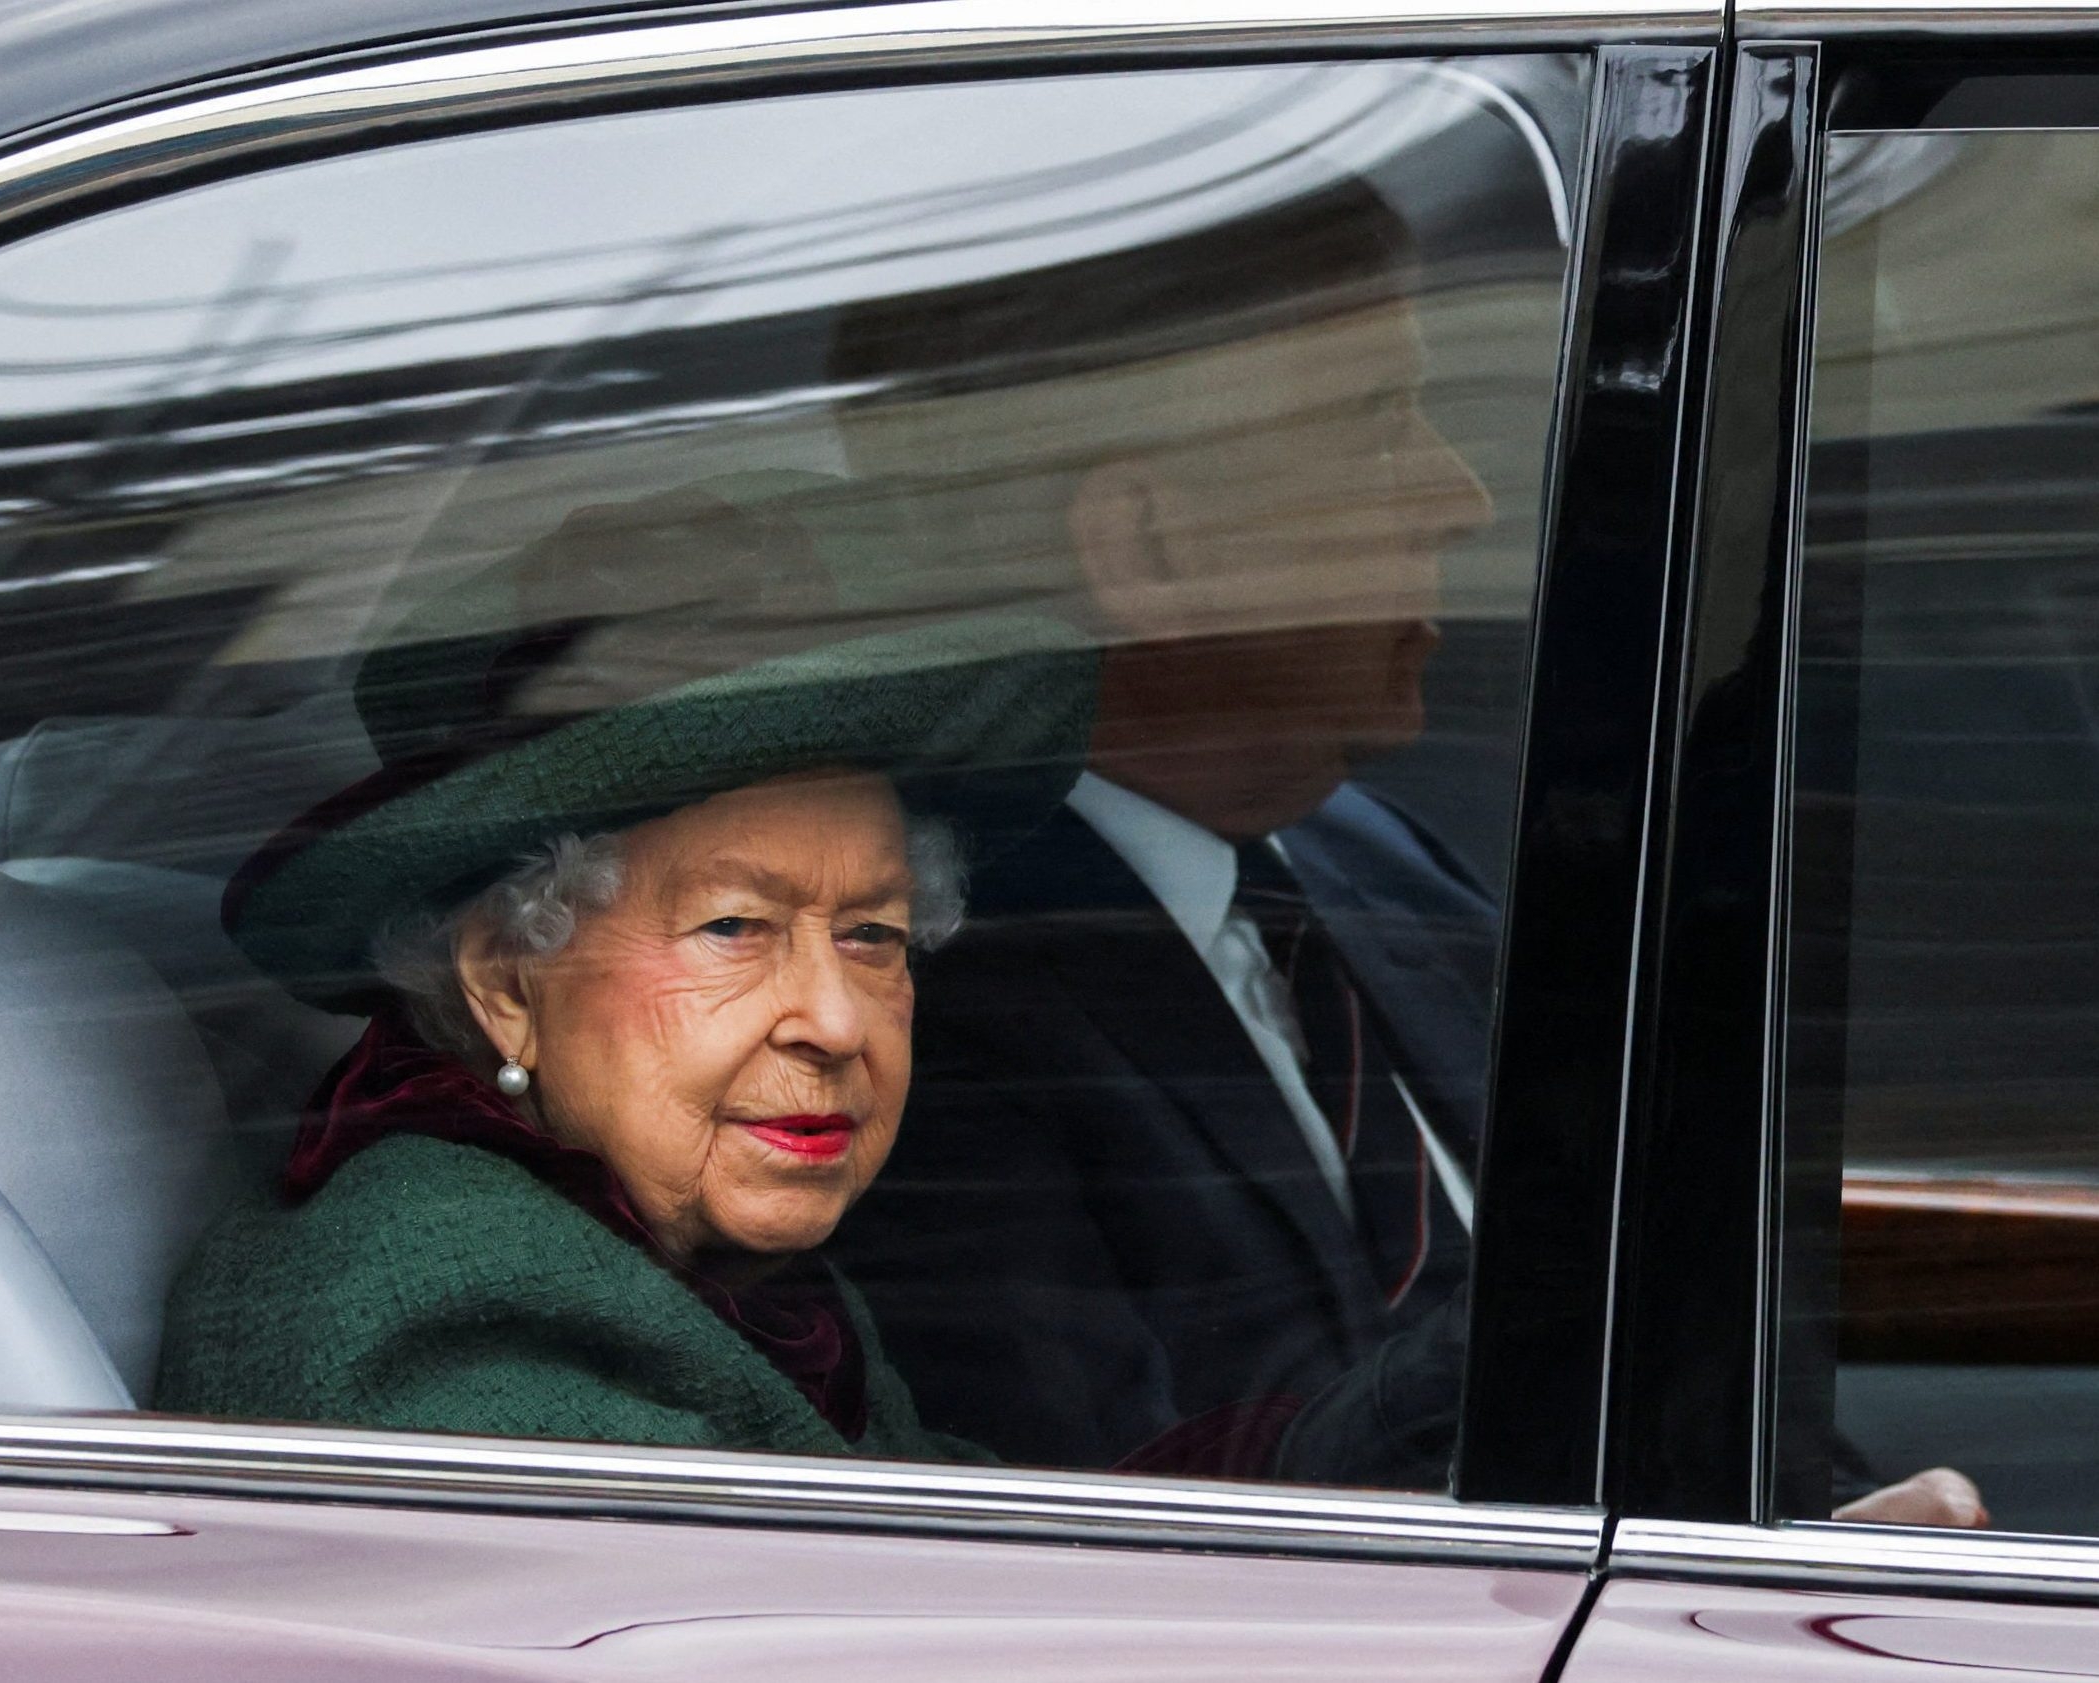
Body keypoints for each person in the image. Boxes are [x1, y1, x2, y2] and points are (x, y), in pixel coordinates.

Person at [825, 181, 1990, 1523]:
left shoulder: (1364, 859)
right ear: (1145, 547)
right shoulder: (924, 1001)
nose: (1459, 495)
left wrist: (1838, 1523)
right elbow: (1139, 1539)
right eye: (1375, 430)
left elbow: (1668, 1349)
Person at [154, 487, 1095, 1458]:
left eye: (871, 934)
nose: (835, 1022)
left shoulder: (695, 1262)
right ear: (510, 982)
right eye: (734, 927)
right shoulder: (450, 1300)